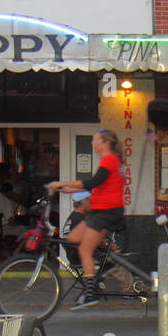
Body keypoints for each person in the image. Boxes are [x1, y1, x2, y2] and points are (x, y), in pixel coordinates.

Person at [46, 129, 124, 309]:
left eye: (95, 140)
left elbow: (92, 183)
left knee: (84, 251)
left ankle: (91, 294)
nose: (92, 143)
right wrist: (68, 191)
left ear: (105, 143)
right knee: (72, 239)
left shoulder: (110, 159)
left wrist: (63, 182)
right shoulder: (108, 161)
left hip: (106, 212)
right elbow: (97, 188)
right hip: (99, 211)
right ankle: (103, 266)